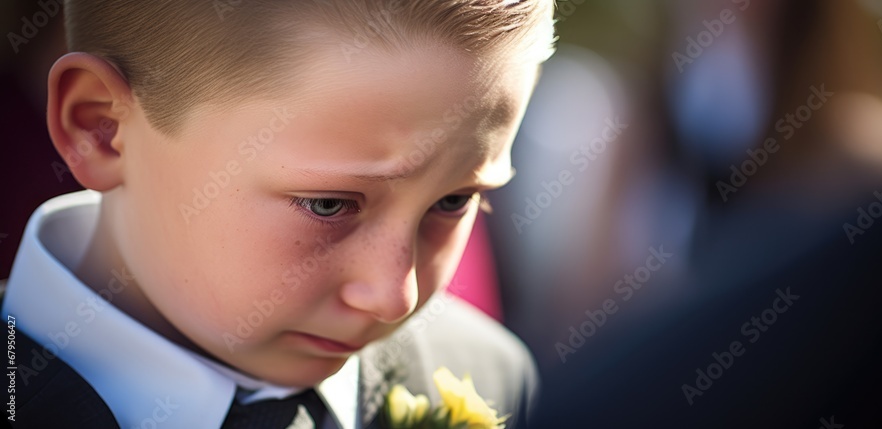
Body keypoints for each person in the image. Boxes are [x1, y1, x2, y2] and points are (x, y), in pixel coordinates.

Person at [1, 1, 555, 428]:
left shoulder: (492, 372)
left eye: (453, 201)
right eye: (328, 204)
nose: (395, 298)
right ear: (102, 129)